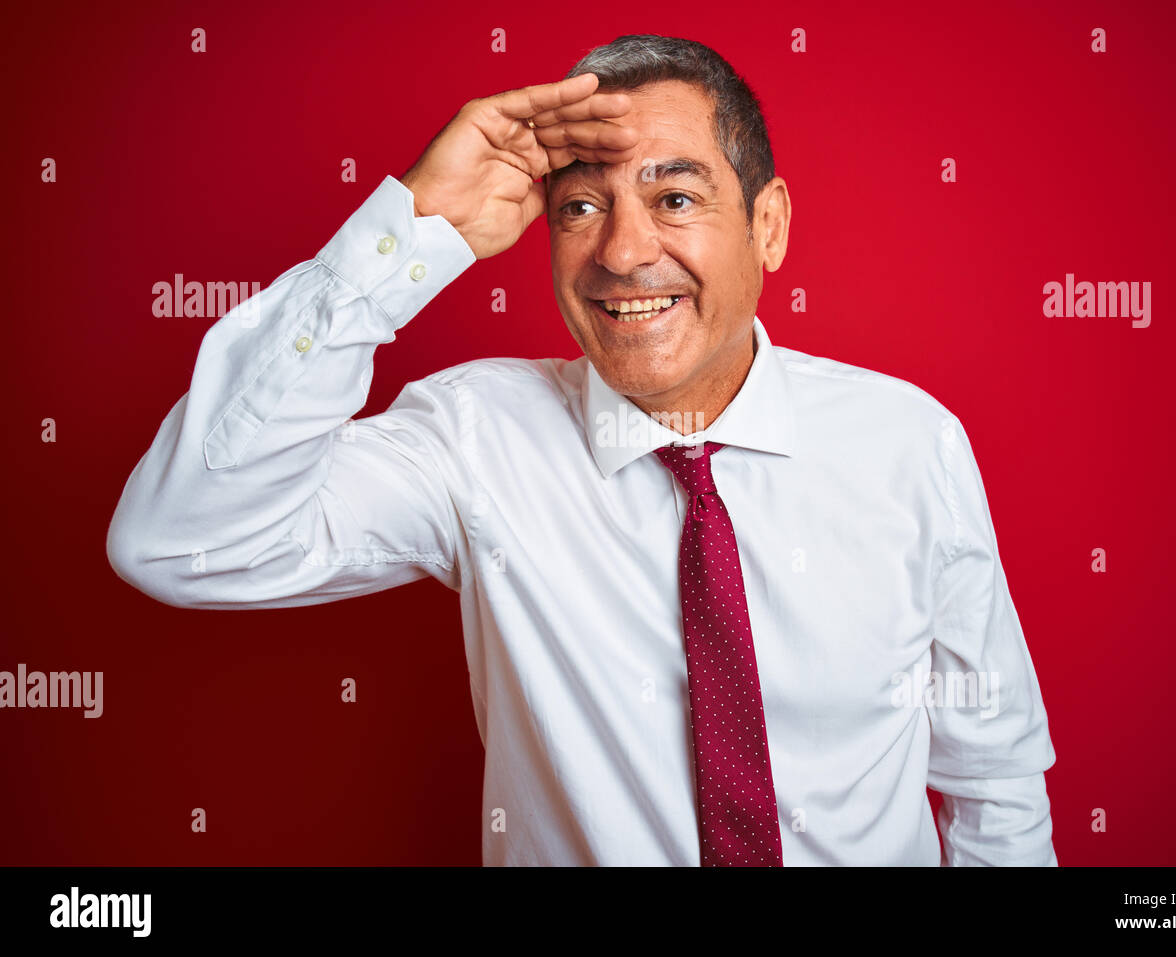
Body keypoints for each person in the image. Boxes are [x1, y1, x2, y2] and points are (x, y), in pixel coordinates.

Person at [107, 34, 1057, 866]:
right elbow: (182, 541)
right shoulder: (475, 440)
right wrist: (409, 236)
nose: (621, 250)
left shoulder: (908, 442)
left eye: (674, 196)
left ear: (767, 226)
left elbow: (995, 775)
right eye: (580, 209)